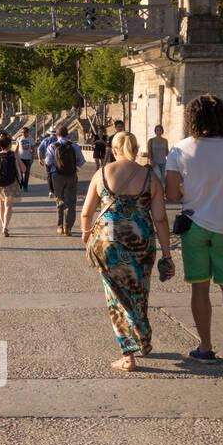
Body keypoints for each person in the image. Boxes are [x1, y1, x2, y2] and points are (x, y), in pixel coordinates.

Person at [164, 95, 223, 364]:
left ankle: (205, 348)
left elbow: (172, 193)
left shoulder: (180, 149)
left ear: (191, 119)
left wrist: (189, 190)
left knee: (200, 288)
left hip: (194, 226)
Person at [81, 131, 173, 371]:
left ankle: (128, 354)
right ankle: (141, 340)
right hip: (141, 242)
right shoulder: (151, 178)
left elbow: (86, 212)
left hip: (108, 242)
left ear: (114, 150)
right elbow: (161, 219)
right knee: (139, 292)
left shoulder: (101, 174)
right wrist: (167, 254)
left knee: (116, 297)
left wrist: (85, 232)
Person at [43, 125, 86, 236]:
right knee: (71, 203)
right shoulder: (74, 146)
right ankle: (69, 228)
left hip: (57, 176)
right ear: (68, 134)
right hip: (71, 176)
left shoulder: (52, 146)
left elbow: (47, 162)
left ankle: (60, 227)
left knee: (60, 201)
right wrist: (73, 167)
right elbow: (81, 161)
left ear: (56, 135)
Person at [0, 132, 22, 237]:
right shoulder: (12, 156)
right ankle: (5, 227)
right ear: (10, 145)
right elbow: (23, 169)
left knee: (1, 204)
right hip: (11, 183)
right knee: (8, 206)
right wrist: (18, 158)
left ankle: (3, 225)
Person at [37, 128, 58, 197]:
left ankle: (51, 191)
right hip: (58, 160)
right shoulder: (58, 140)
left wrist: (40, 159)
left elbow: (39, 149)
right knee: (58, 175)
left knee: (49, 176)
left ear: (49, 133)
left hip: (48, 160)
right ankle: (57, 190)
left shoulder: (45, 140)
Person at [15, 127, 34, 192]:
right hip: (20, 159)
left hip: (28, 159)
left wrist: (32, 158)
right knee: (20, 173)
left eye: (25, 132)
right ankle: (20, 184)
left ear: (28, 132)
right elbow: (16, 149)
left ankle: (25, 186)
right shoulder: (19, 139)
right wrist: (16, 157)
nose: (23, 133)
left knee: (27, 173)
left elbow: (33, 150)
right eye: (22, 132)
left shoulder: (31, 139)